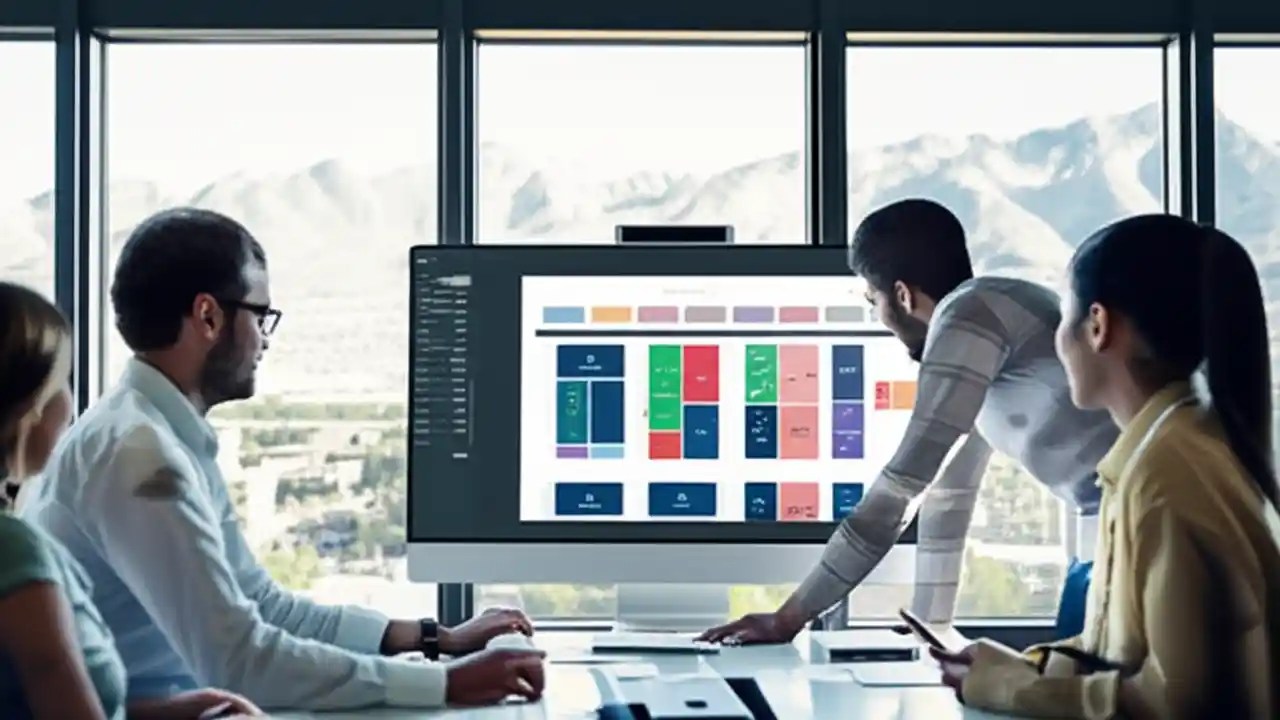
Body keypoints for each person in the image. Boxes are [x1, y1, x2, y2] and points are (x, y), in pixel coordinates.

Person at [20, 208, 545, 711]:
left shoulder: (158, 434)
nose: (265, 341)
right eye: (261, 315)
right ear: (208, 316)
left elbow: (263, 606)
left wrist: (435, 640)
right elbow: (241, 660)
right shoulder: (137, 455)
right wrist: (443, 684)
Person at [700, 198, 1119, 645]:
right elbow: (950, 493)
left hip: (1133, 528)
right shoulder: (993, 307)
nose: (880, 318)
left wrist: (787, 619)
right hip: (1109, 533)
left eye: (873, 301)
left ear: (902, 295)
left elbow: (901, 487)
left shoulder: (967, 315)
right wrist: (929, 629)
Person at [934, 214, 1280, 719]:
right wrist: (1029, 666)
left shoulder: (1169, 475)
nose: (1057, 341)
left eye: (1064, 318)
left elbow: (1175, 701)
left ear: (1098, 326)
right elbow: (1126, 650)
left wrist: (1010, 689)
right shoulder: (1169, 447)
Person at [0, 281, 261, 719]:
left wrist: (167, 712)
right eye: (63, 380)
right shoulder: (15, 551)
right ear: (32, 405)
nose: (72, 400)